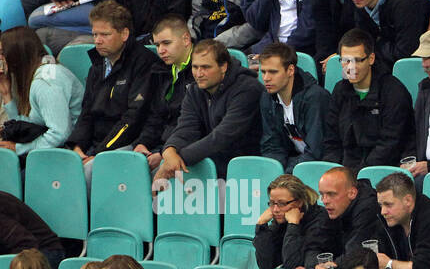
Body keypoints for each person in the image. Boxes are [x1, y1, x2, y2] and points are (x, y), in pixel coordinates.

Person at [68, 0, 164, 164]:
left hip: (126, 146)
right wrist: (77, 147)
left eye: (105, 35)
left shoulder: (145, 63)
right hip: (95, 147)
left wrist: (99, 154)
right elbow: (86, 113)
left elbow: (133, 119)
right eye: (95, 34)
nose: (97, 40)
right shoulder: (97, 66)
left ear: (124, 34)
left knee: (90, 173)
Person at [155, 37, 261, 179]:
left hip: (247, 167)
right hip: (214, 162)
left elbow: (222, 136)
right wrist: (169, 151)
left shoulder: (248, 89)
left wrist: (179, 158)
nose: (199, 74)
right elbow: (186, 129)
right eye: (195, 67)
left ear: (223, 67)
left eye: (206, 67)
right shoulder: (194, 90)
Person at [323, 28, 413, 169]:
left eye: (358, 60)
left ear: (371, 59)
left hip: (383, 169)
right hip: (346, 170)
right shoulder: (340, 90)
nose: (351, 68)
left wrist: (360, 174)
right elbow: (332, 140)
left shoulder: (394, 91)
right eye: (346, 61)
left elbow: (390, 144)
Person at [339, 0, 430, 74]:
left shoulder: (405, 5)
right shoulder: (361, 2)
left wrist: (376, 46)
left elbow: (405, 54)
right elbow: (362, 41)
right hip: (389, 59)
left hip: (420, 63)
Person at [0, 26, 82, 157]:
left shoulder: (45, 82)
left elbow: (59, 133)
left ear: (16, 54)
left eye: (3, 53)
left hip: (72, 151)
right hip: (56, 147)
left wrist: (19, 148)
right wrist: (6, 94)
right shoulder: (38, 73)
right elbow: (26, 127)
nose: (0, 59)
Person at [306, 167, 391, 269]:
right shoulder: (333, 208)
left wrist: (328, 268)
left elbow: (355, 254)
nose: (325, 201)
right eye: (322, 195)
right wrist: (316, 268)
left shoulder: (368, 208)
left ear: (352, 193)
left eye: (331, 194)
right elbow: (314, 245)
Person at [257, 41, 329, 170]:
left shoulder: (315, 98)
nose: (266, 78)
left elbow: (316, 151)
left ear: (290, 70)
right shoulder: (267, 97)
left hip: (319, 167)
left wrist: (287, 175)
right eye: (263, 72)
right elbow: (271, 145)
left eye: (273, 72)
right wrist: (276, 171)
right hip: (293, 164)